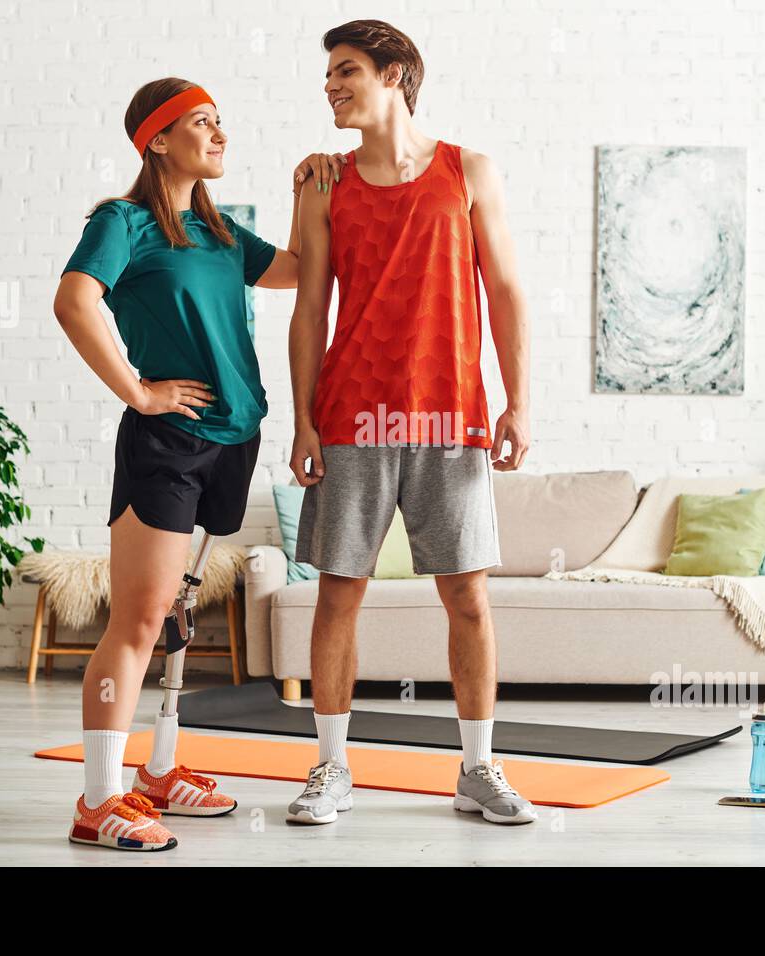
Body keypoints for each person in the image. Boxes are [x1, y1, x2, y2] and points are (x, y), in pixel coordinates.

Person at [54, 76, 340, 850]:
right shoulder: (125, 222)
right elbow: (74, 301)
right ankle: (97, 800)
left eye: (221, 122)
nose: (219, 135)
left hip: (234, 438)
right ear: (156, 139)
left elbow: (302, 267)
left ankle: (159, 772)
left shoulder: (219, 233)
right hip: (169, 444)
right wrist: (139, 392)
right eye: (201, 123)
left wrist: (309, 187)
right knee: (140, 617)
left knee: (176, 616)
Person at [287, 21, 535, 826]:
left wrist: (518, 401)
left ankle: (478, 768)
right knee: (338, 596)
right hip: (350, 416)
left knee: (467, 599)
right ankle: (330, 769)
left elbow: (503, 291)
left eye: (347, 71)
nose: (331, 86)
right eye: (327, 75)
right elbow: (308, 310)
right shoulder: (322, 185)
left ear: (394, 74)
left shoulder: (469, 172)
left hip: (449, 420)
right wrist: (301, 420)